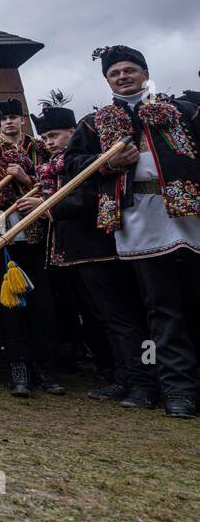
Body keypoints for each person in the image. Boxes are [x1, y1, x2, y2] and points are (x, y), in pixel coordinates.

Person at [63, 45, 199, 418]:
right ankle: (178, 389)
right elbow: (72, 164)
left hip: (188, 214)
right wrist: (103, 162)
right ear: (107, 80)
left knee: (192, 301)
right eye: (114, 73)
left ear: (144, 72)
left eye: (129, 70)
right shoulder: (95, 123)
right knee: (163, 306)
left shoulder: (182, 110)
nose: (123, 76)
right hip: (140, 220)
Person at [24, 102, 156, 406]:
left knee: (121, 318)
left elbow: (92, 199)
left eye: (55, 135)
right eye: (44, 137)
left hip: (98, 249)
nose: (49, 142)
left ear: (73, 132)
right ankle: (117, 375)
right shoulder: (60, 165)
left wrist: (48, 209)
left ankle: (142, 379)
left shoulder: (94, 162)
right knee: (99, 319)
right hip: (70, 253)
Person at [0, 102, 62, 397]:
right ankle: (17, 365)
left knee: (39, 303)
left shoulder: (23, 160)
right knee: (6, 306)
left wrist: (23, 178)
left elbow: (44, 189)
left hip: (28, 238)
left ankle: (44, 366)